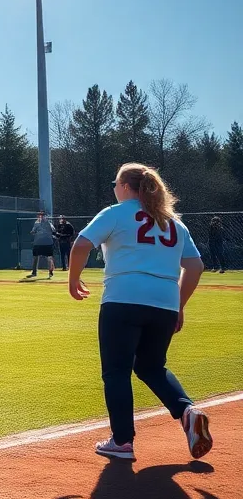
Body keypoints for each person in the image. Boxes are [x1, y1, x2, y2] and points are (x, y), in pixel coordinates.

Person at [68, 162, 212, 462]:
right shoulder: (172, 222)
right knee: (151, 367)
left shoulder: (115, 213)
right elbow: (195, 266)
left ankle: (122, 442)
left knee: (117, 371)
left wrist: (73, 278)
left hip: (123, 299)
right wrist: (179, 305)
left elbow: (81, 243)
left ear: (124, 187)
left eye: (115, 184)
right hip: (164, 303)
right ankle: (187, 411)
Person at [29, 211, 57, 279]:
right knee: (35, 257)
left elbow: (53, 230)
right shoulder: (36, 223)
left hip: (47, 243)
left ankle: (50, 272)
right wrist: (33, 232)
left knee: (49, 257)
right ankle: (34, 272)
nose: (41, 217)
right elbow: (33, 231)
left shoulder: (48, 223)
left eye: (42, 215)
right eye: (40, 215)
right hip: (38, 242)